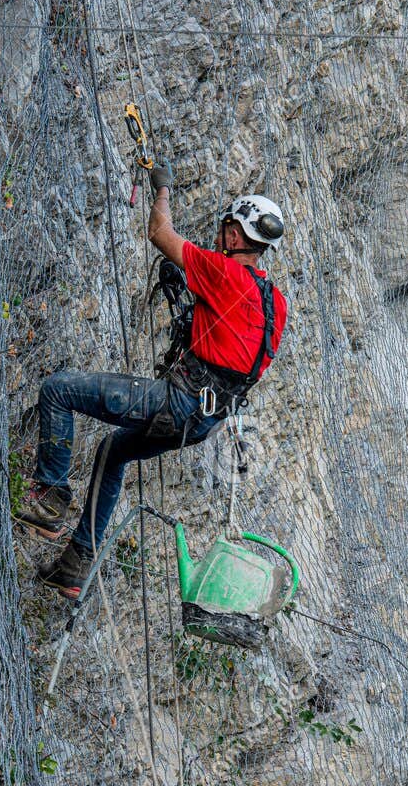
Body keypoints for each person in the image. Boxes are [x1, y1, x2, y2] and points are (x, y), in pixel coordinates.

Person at [15, 164, 287, 598]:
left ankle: (50, 498)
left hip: (177, 400)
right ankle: (74, 565)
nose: (220, 238)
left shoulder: (224, 273)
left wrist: (162, 189)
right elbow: (232, 344)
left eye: (225, 230)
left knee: (59, 390)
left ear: (235, 235)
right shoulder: (276, 303)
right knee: (113, 451)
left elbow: (160, 233)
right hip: (203, 422)